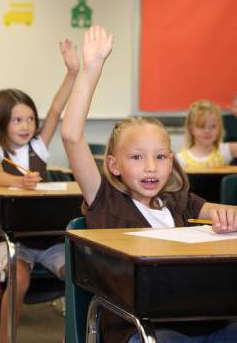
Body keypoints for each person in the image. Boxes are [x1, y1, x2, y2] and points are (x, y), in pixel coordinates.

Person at [60, 25, 237, 343]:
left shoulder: (178, 200)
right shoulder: (106, 200)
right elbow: (71, 135)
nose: (151, 167)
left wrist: (228, 218)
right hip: (140, 328)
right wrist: (91, 69)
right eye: (137, 158)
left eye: (160, 157)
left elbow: (221, 212)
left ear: (172, 160)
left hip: (197, 317)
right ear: (113, 165)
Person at [0, 38, 79, 343]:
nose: (26, 126)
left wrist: (72, 72)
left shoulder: (39, 146)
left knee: (78, 274)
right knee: (19, 281)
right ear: (1, 122)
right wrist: (18, 182)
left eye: (30, 119)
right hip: (14, 240)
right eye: (17, 120)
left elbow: (57, 108)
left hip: (49, 240)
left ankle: (75, 336)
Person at [177, 99, 237, 168]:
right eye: (201, 126)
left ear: (219, 128)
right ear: (191, 129)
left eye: (213, 126)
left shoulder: (224, 150)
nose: (207, 131)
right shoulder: (180, 159)